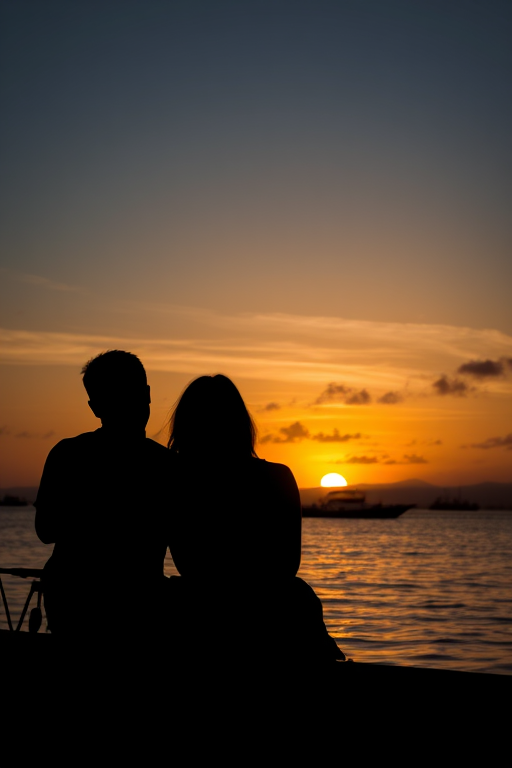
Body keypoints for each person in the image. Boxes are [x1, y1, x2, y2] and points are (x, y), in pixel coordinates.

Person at [164, 374, 345, 666]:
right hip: (272, 612)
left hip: (202, 609)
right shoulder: (278, 477)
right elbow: (287, 564)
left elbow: (189, 563)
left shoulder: (175, 481)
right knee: (299, 598)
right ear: (241, 423)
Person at [34, 350, 170, 643]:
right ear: (147, 394)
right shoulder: (167, 465)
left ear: (95, 407)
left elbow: (45, 529)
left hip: (74, 606)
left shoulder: (67, 454)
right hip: (136, 609)